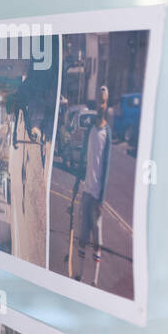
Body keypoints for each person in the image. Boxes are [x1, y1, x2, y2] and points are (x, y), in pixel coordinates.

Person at [74, 96, 113, 286]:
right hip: (86, 191)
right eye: (99, 100)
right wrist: (76, 184)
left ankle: (95, 280)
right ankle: (80, 274)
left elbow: (106, 167)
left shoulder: (107, 133)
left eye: (104, 101)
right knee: (83, 235)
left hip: (97, 195)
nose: (101, 105)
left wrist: (102, 199)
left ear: (106, 105)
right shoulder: (90, 129)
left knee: (97, 239)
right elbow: (83, 158)